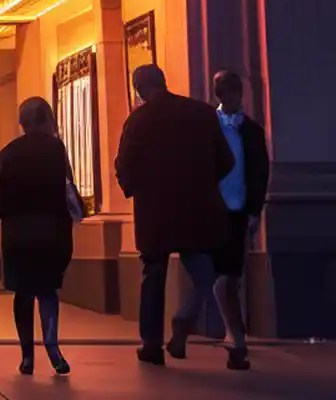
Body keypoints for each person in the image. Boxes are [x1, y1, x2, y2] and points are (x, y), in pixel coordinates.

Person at [115, 64, 235, 366]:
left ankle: (152, 344)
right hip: (197, 208)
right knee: (204, 277)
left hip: (155, 212)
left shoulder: (138, 121)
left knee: (153, 275)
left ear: (140, 89)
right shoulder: (202, 114)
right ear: (163, 82)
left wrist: (134, 187)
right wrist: (204, 183)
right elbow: (226, 160)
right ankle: (185, 316)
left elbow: (125, 165)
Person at [0, 97, 76, 376]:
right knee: (48, 291)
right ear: (47, 119)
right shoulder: (56, 149)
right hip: (51, 232)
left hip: (17, 234)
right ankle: (53, 350)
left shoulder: (8, 153)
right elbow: (67, 189)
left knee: (23, 293)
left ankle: (27, 355)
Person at [210, 70, 271, 370]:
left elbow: (259, 175)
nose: (229, 98)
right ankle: (236, 334)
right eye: (223, 92)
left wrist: (253, 212)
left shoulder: (251, 131)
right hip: (213, 209)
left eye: (232, 92)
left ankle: (235, 335)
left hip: (238, 209)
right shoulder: (210, 127)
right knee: (225, 277)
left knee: (229, 276)